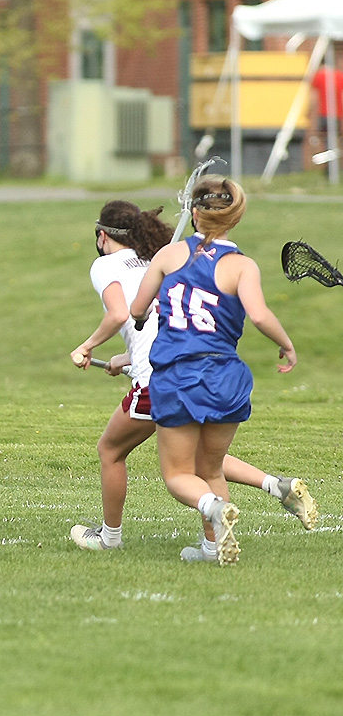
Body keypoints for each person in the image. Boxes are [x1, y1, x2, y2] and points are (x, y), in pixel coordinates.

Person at [69, 199, 315, 563]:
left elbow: (128, 313)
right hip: (211, 371)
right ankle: (266, 493)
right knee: (205, 462)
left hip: (168, 376)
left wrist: (87, 346)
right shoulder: (167, 258)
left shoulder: (125, 262)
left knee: (115, 452)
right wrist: (127, 359)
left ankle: (110, 538)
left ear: (103, 235)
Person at [128, 177, 298, 565]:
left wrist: (146, 317)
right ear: (235, 218)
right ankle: (212, 548)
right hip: (225, 377)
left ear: (193, 212)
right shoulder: (242, 266)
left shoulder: (169, 256)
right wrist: (287, 345)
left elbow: (137, 309)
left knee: (177, 475)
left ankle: (213, 506)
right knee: (210, 466)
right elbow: (258, 315)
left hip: (177, 377)